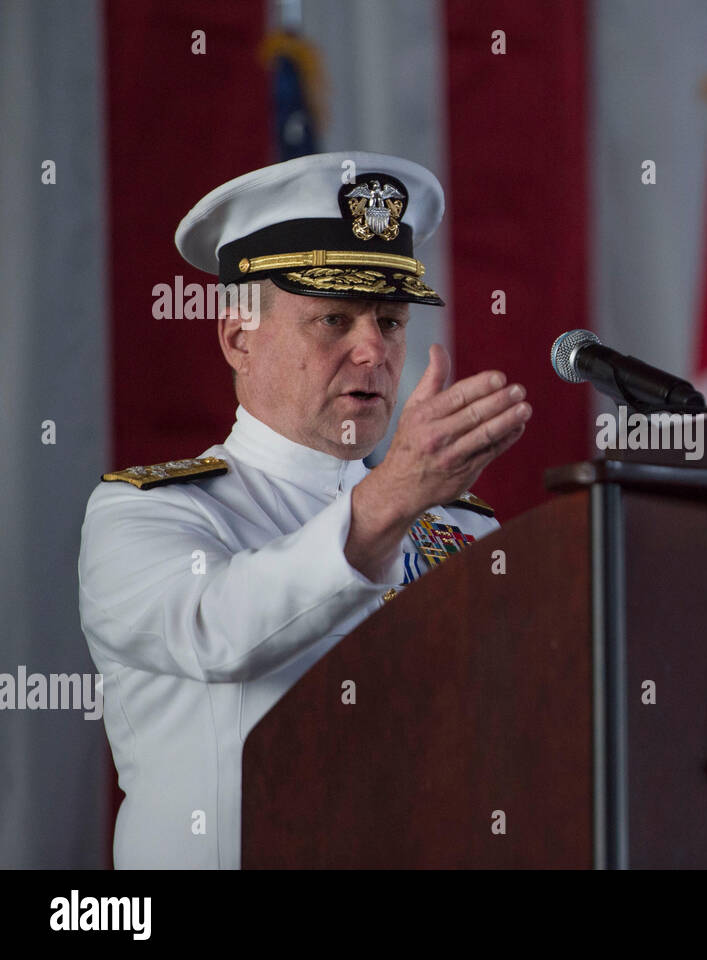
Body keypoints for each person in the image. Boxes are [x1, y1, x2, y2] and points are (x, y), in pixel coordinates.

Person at [77, 151, 530, 869]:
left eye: (390, 318)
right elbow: (218, 633)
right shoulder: (148, 515)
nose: (373, 349)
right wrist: (391, 499)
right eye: (333, 320)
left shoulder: (466, 528)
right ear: (238, 338)